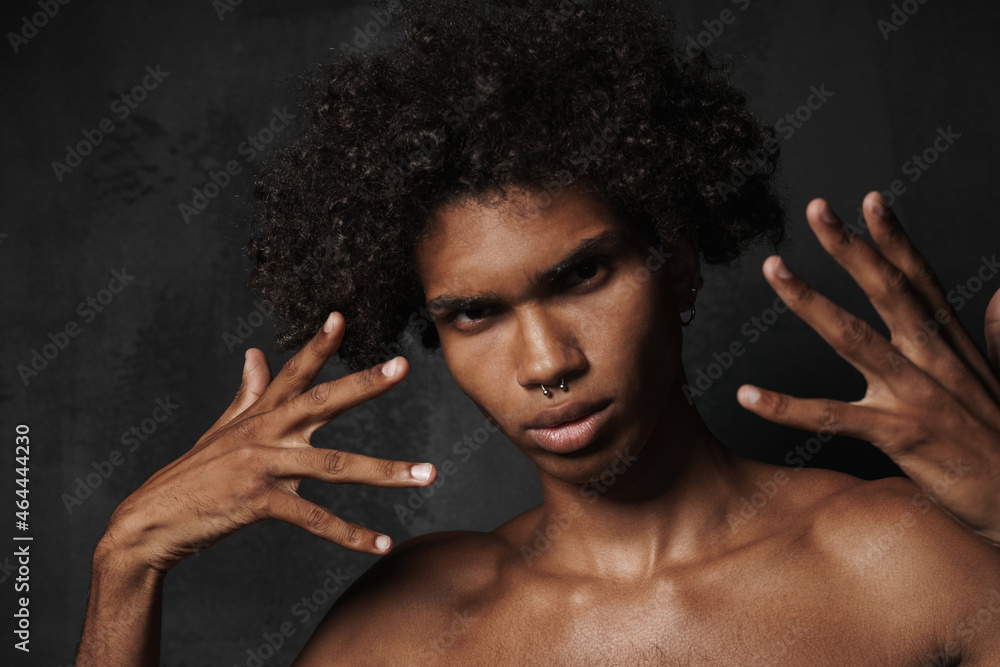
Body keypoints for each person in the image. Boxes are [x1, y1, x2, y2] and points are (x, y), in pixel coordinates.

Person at [77, 0, 1000, 664]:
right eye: (476, 313)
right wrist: (126, 564)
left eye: (582, 276)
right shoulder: (413, 629)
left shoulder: (896, 564)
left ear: (675, 264)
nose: (548, 362)